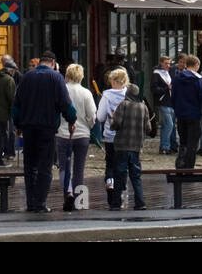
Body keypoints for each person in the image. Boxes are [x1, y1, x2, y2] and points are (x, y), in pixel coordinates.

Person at [12, 51, 76, 213]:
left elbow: (16, 104)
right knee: (45, 167)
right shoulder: (56, 78)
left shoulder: (27, 77)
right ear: (53, 63)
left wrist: (17, 124)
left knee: (30, 166)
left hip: (28, 127)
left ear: (40, 62)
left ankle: (30, 202)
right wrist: (72, 120)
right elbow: (65, 103)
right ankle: (40, 203)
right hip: (47, 128)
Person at [57, 64, 97, 211]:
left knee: (64, 167)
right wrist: (88, 126)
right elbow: (92, 115)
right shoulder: (86, 93)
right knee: (79, 169)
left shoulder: (61, 91)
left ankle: (67, 192)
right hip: (82, 134)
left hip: (63, 133)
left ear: (67, 75)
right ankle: (80, 201)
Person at [106, 84, 150, 210]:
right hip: (136, 146)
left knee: (119, 174)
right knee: (135, 175)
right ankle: (140, 202)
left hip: (122, 145)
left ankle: (115, 203)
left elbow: (116, 124)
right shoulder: (143, 107)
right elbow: (148, 128)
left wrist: (112, 120)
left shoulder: (123, 105)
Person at [96, 68, 130, 205]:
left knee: (110, 162)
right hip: (125, 135)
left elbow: (100, 116)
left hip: (110, 134)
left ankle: (110, 181)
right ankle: (121, 190)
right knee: (123, 164)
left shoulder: (107, 95)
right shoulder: (129, 94)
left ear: (112, 81)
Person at [173, 55, 202, 168]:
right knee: (193, 144)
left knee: (183, 142)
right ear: (197, 66)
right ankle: (189, 167)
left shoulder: (177, 78)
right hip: (194, 115)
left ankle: (180, 164)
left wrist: (177, 110)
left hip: (181, 115)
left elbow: (173, 96)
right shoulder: (199, 80)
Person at [0, 55, 18, 165]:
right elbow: (12, 99)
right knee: (2, 137)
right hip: (3, 114)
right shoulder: (9, 80)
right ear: (11, 70)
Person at [153, 56, 176, 155]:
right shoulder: (156, 74)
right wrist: (167, 88)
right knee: (169, 124)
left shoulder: (169, 73)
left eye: (169, 63)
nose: (168, 65)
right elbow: (154, 89)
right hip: (163, 102)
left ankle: (164, 146)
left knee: (166, 125)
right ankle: (165, 146)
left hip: (171, 102)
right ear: (161, 63)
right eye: (166, 63)